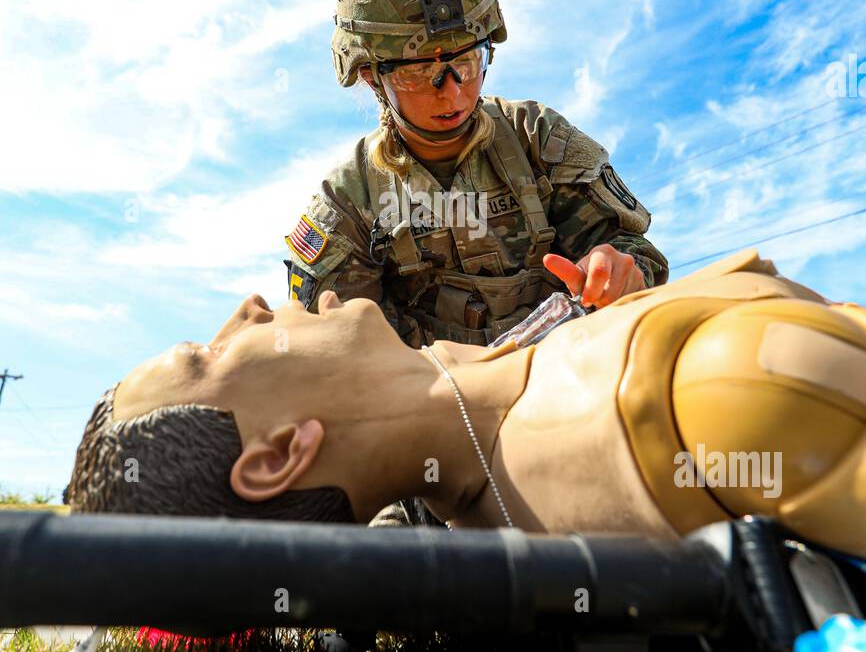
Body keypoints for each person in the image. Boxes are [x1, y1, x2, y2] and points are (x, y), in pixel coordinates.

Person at [65, 249, 866, 560]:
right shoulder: (703, 395)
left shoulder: (511, 416)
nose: (244, 306)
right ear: (278, 454)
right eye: (203, 356)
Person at [285, 0, 667, 347]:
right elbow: (333, 345)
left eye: (467, 62)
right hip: (430, 404)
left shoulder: (539, 139)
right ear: (370, 77)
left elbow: (631, 250)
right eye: (417, 73)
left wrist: (622, 270)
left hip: (566, 380)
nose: (452, 92)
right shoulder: (348, 199)